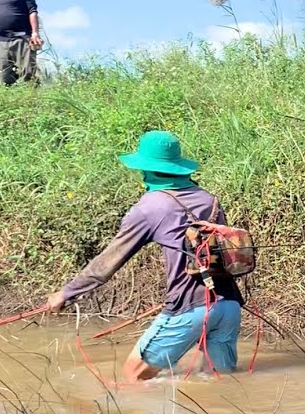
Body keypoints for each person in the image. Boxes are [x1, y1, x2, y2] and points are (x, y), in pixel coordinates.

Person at [46, 131, 245, 382]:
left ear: (146, 170)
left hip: (188, 309)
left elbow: (108, 262)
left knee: (134, 378)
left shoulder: (149, 207)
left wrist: (66, 293)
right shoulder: (209, 199)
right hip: (228, 306)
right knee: (220, 381)